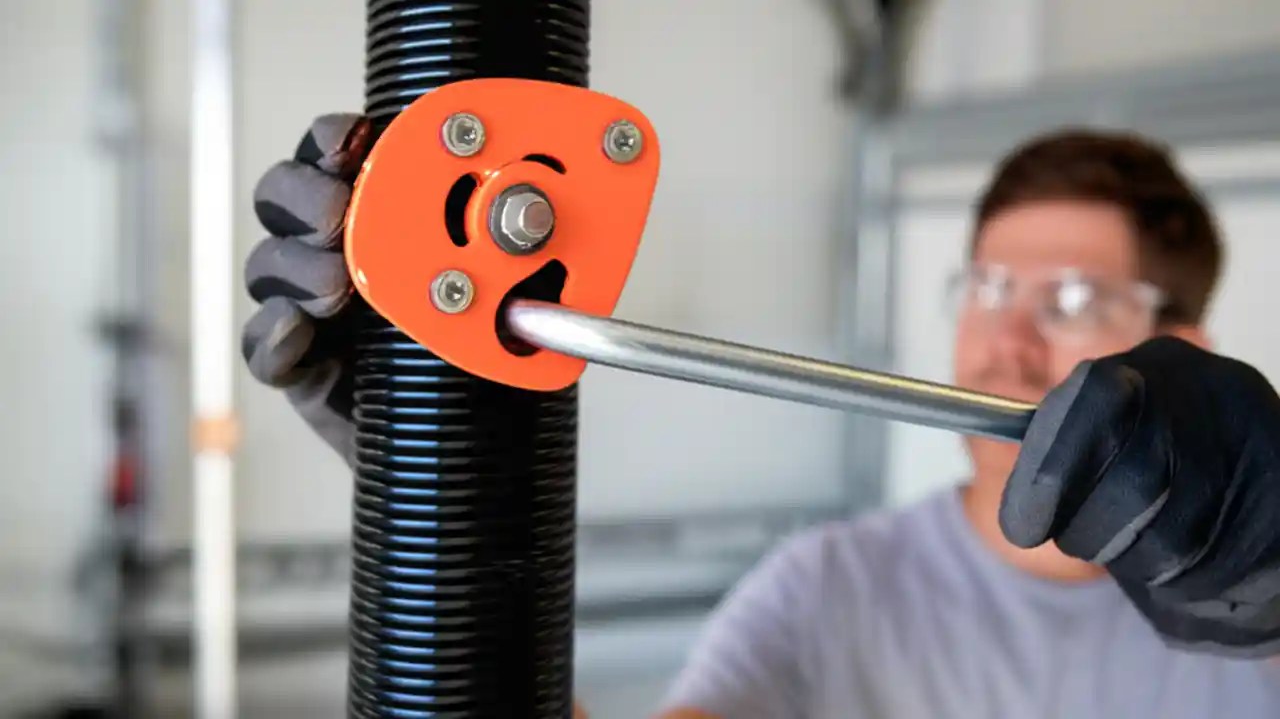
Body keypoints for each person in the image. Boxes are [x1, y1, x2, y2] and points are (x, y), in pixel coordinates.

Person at [243, 117, 1280, 717]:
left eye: (1066, 303)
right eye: (985, 287)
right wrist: (442, 512)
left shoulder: (1257, 629)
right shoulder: (828, 593)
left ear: (1178, 350)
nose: (1000, 345)